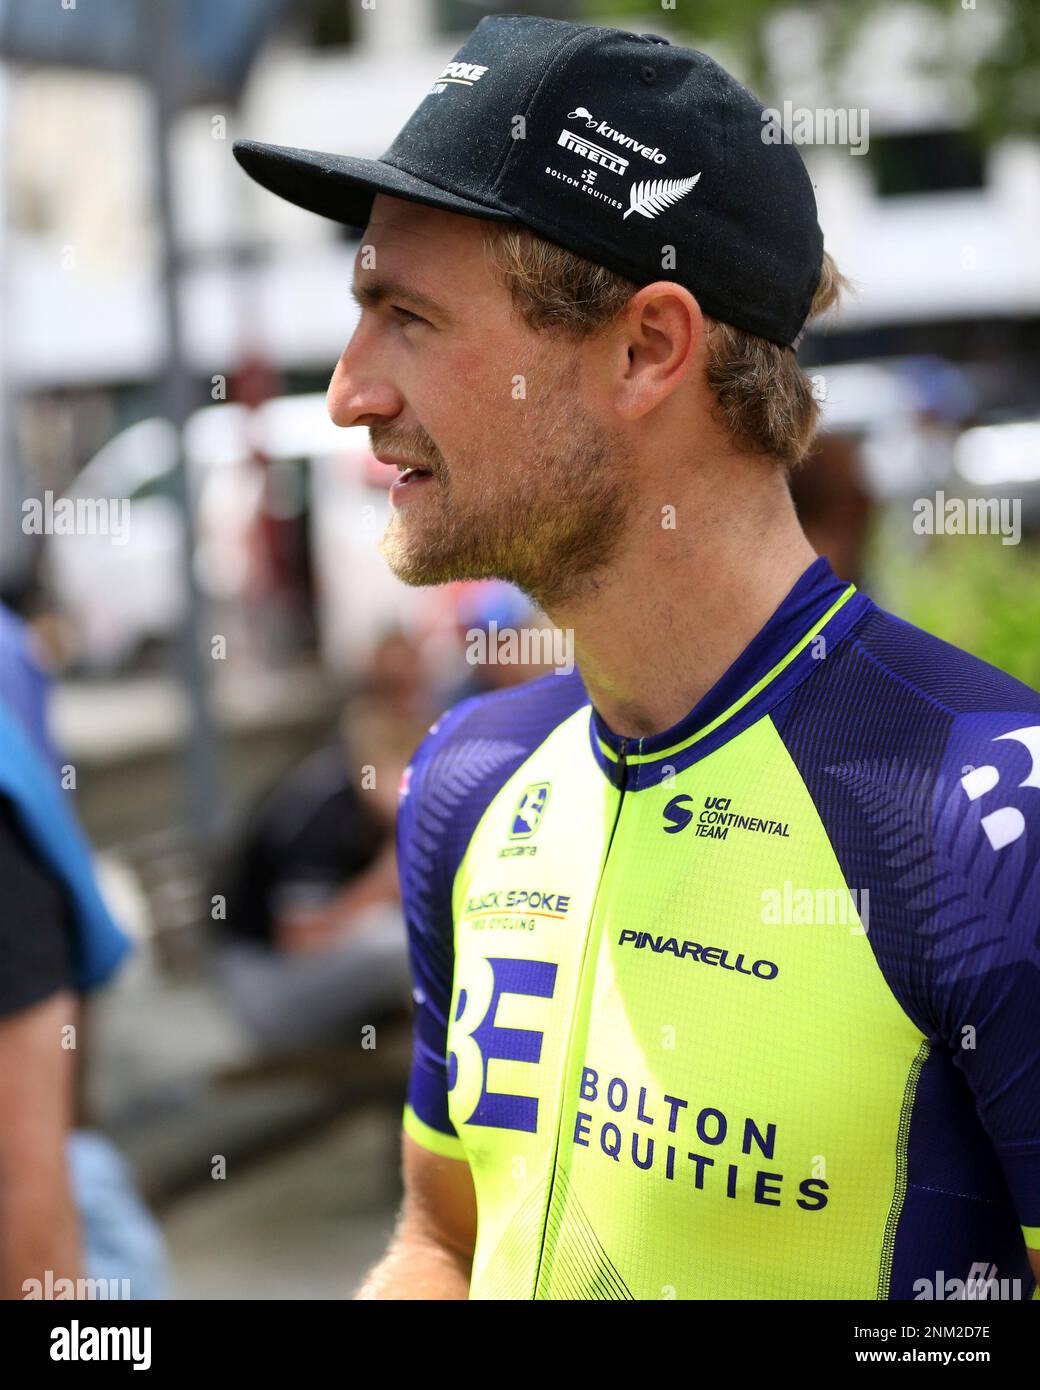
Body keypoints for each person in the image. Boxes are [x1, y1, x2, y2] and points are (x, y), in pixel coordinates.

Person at [234, 16, 1040, 1300]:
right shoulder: (472, 776)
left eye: (407, 317)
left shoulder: (989, 830)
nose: (347, 391)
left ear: (646, 347)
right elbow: (444, 1237)